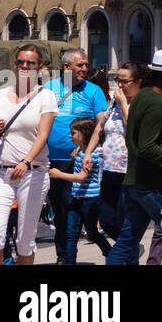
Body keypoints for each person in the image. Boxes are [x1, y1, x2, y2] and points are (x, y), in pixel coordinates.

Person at [107, 49, 162, 265]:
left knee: (127, 240)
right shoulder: (156, 103)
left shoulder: (141, 98)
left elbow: (132, 141)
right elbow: (146, 147)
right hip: (157, 188)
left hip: (137, 185)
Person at [0, 43, 58, 265]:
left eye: (30, 63)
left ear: (40, 67)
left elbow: (43, 135)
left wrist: (26, 161)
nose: (24, 66)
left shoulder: (46, 97)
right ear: (14, 65)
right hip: (1, 172)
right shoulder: (0, 96)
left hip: (33, 172)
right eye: (20, 62)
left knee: (25, 239)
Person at [41, 48, 106, 266]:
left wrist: (86, 147)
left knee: (71, 210)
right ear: (67, 67)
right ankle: (64, 254)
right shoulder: (48, 89)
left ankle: (66, 258)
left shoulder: (94, 91)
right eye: (81, 65)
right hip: (49, 161)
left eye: (86, 65)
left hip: (76, 162)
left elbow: (101, 125)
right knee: (58, 210)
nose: (85, 69)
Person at [49, 116, 112, 261]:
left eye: (73, 133)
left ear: (84, 134)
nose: (70, 136)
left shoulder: (92, 155)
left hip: (90, 200)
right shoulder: (80, 152)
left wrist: (59, 174)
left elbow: (81, 177)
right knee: (71, 234)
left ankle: (110, 253)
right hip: (76, 198)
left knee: (92, 232)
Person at [94, 62, 140, 240]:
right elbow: (100, 126)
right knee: (106, 220)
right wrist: (88, 152)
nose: (120, 85)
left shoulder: (140, 102)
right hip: (109, 168)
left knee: (123, 219)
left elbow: (136, 131)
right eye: (117, 80)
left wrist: (123, 105)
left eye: (124, 81)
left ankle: (128, 254)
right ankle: (130, 250)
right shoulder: (114, 102)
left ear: (138, 82)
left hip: (128, 171)